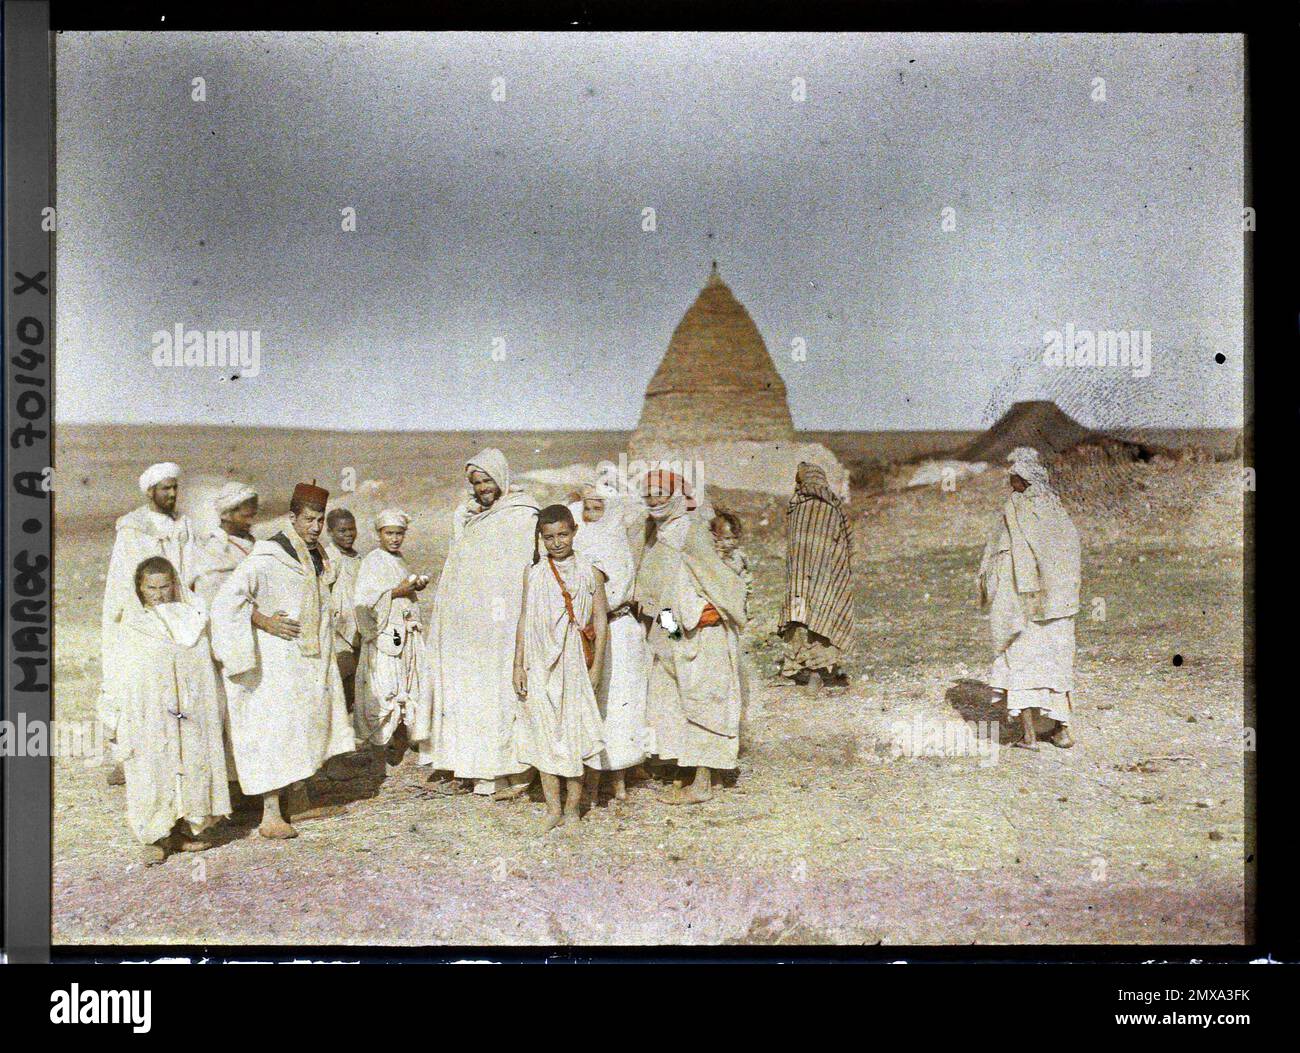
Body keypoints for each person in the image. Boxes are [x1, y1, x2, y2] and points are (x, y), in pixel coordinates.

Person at [210, 482, 355, 838]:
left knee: (303, 725)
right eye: (308, 520)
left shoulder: (318, 554)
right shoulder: (267, 555)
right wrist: (264, 621)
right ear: (292, 517)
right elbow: (228, 600)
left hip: (306, 658)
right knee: (273, 730)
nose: (316, 527)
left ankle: (301, 800)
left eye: (320, 520)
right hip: (273, 662)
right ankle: (270, 816)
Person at [422, 449, 540, 796]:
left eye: (488, 480)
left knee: (505, 693)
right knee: (477, 693)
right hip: (476, 623)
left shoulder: (520, 515)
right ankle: (483, 769)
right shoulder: (475, 517)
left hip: (504, 622)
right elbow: (462, 565)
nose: (483, 488)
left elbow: (518, 570)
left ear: (501, 478)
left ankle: (516, 771)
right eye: (476, 482)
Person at [633, 469, 747, 804]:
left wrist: (702, 618)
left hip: (703, 627)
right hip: (673, 625)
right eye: (648, 493)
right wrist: (671, 631)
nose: (654, 500)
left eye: (660, 493)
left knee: (703, 698)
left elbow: (719, 581)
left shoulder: (691, 532)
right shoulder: (654, 532)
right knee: (674, 698)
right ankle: (686, 769)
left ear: (675, 495)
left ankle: (703, 783)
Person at [114, 556, 231, 865]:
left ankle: (185, 830)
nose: (159, 594)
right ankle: (156, 836)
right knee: (152, 767)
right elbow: (122, 672)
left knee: (190, 760)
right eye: (151, 588)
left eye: (165, 586)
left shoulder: (192, 616)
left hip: (187, 709)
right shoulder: (132, 623)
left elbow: (204, 667)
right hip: (150, 711)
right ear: (140, 588)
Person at [977, 447, 1081, 750]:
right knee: (1055, 665)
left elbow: (1002, 558)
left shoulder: (1015, 510)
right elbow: (1068, 557)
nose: (1011, 485)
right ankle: (1061, 730)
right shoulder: (1057, 511)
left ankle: (1029, 735)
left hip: (1023, 605)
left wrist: (1003, 597)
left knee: (1022, 662)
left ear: (1026, 481)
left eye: (1015, 480)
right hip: (1057, 606)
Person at [512, 505, 608, 832]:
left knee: (574, 732)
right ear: (541, 538)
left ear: (574, 532)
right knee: (544, 734)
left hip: (575, 663)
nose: (556, 543)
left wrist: (596, 669)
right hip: (539, 662)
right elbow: (524, 619)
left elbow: (601, 622)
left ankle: (573, 810)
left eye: (562, 534)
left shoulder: (589, 571)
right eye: (549, 537)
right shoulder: (534, 573)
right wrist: (518, 665)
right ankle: (552, 808)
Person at [100, 462, 195, 786]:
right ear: (150, 491)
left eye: (174, 487)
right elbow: (125, 579)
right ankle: (127, 759)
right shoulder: (133, 528)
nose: (171, 494)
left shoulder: (184, 525)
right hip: (141, 618)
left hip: (177, 613)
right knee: (132, 686)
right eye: (164, 488)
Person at [568, 482, 649, 802]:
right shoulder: (580, 537)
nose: (590, 514)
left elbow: (617, 591)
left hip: (617, 629)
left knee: (619, 704)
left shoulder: (618, 542)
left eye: (597, 507)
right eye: (587, 507)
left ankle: (619, 777)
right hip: (585, 630)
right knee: (593, 704)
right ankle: (590, 775)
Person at [353, 509, 430, 764]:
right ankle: (379, 743)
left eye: (399, 534)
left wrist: (413, 588)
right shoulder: (373, 561)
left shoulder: (399, 560)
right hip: (386, 633)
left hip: (403, 629)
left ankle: (400, 738)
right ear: (379, 534)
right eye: (389, 533)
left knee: (405, 682)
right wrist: (399, 591)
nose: (395, 539)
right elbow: (365, 600)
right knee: (385, 683)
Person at [777, 461, 854, 689]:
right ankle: (819, 672)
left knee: (800, 623)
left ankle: (804, 668)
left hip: (799, 583)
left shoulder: (796, 509)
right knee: (823, 620)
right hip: (824, 582)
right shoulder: (832, 509)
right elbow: (846, 547)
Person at [185, 481, 258, 607]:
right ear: (227, 515)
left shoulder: (250, 542)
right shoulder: (213, 549)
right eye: (246, 516)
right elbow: (213, 601)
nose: (251, 521)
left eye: (253, 516)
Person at [325, 508, 363, 712]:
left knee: (354, 683)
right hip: (339, 629)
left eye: (352, 529)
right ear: (330, 532)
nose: (349, 534)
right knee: (340, 675)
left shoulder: (357, 557)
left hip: (357, 626)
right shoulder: (331, 556)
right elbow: (324, 590)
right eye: (342, 531)